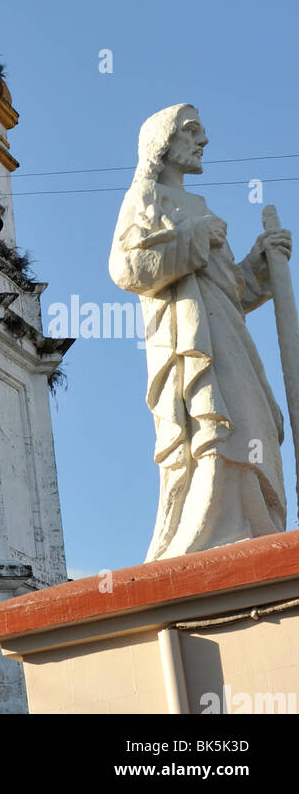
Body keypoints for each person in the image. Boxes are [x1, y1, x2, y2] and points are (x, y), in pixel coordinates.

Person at [109, 105, 292, 560]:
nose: (203, 140)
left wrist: (261, 262)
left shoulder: (200, 209)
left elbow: (231, 288)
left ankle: (255, 527)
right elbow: (127, 268)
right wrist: (193, 237)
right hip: (189, 344)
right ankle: (203, 535)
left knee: (255, 421)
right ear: (163, 143)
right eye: (192, 131)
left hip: (227, 337)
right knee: (212, 426)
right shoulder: (144, 199)